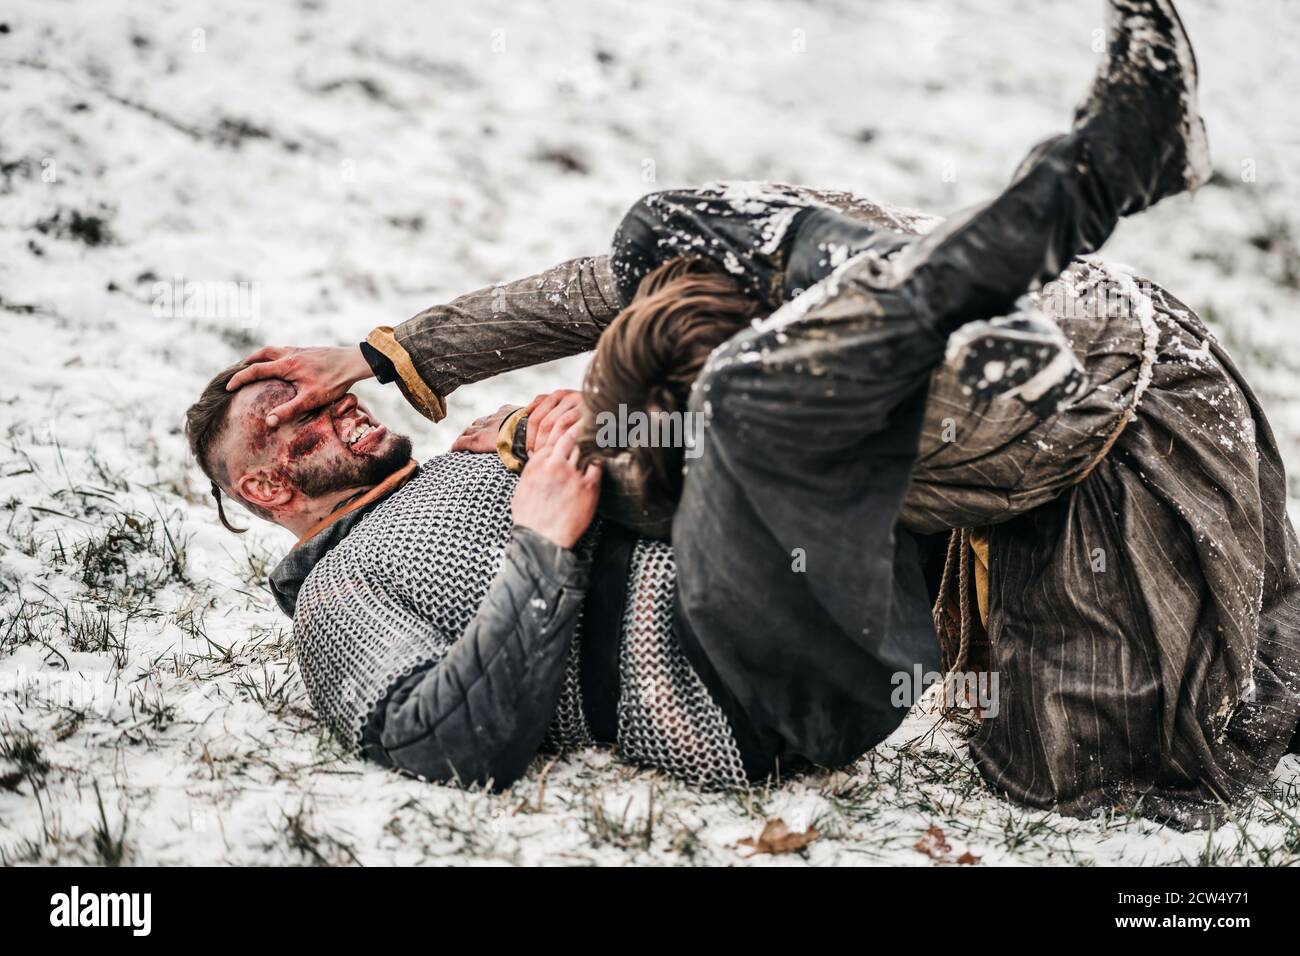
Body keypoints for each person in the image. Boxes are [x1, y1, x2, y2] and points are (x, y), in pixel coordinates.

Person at [196, 1, 1300, 824]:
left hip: (801, 537)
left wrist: (392, 357)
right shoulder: (339, 594)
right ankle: (1019, 249)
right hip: (747, 677)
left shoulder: (458, 458)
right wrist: (540, 543)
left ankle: (983, 279)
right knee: (739, 398)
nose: (326, 408)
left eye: (314, 391)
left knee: (662, 238)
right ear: (264, 484)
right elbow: (445, 742)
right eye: (289, 420)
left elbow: (603, 305)